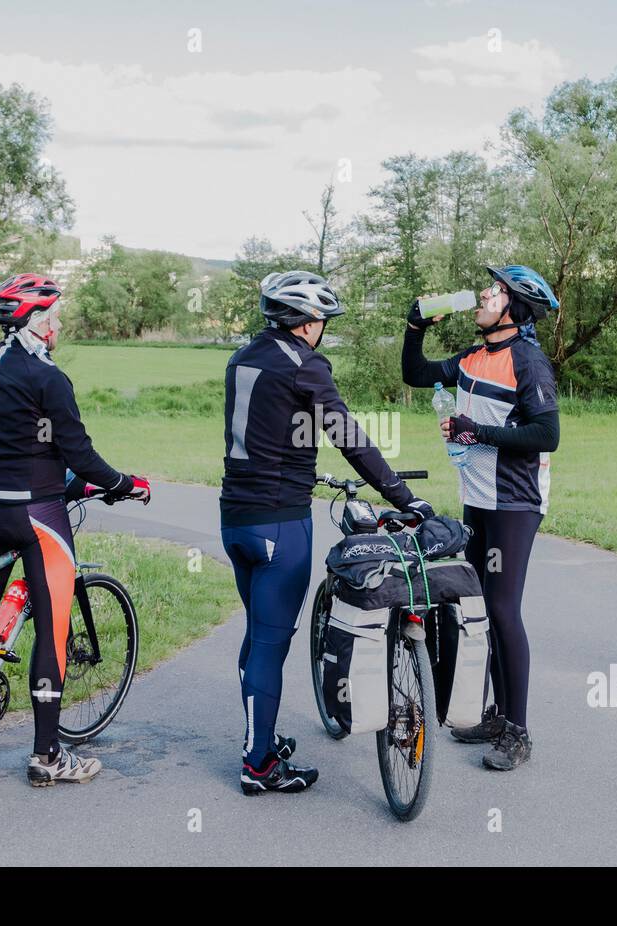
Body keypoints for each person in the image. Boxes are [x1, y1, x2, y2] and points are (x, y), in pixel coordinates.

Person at [221, 270, 433, 794]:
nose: (322, 330)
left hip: (235, 518)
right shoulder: (305, 363)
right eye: (320, 320)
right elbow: (349, 436)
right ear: (305, 322)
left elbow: (264, 432)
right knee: (272, 644)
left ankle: (261, 739)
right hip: (279, 521)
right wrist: (403, 497)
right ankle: (258, 766)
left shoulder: (243, 357)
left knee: (257, 636)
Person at [0, 273, 150, 786]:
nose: (58, 324)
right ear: (34, 322)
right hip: (40, 517)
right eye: (52, 315)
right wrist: (122, 483)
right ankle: (47, 755)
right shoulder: (48, 378)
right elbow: (79, 453)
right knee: (53, 630)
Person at [401, 265, 560, 771]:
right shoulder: (473, 358)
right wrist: (414, 327)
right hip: (478, 499)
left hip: (515, 502)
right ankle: (491, 714)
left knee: (503, 609)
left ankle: (519, 732)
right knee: (479, 608)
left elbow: (545, 435)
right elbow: (416, 373)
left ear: (512, 307)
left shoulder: (528, 361)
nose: (483, 296)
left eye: (494, 291)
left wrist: (478, 432)